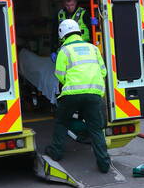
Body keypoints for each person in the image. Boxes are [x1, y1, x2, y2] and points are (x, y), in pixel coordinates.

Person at [43, 19, 111, 173]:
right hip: (94, 94)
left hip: (72, 94)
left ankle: (56, 152)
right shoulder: (93, 48)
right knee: (96, 129)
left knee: (62, 122)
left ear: (62, 34)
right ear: (78, 31)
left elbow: (59, 75)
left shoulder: (64, 51)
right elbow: (103, 72)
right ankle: (104, 163)